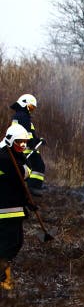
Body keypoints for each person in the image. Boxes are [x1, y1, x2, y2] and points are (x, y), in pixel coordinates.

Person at [0, 124, 36, 290]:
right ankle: (4, 279)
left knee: (14, 242)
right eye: (19, 142)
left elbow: (19, 183)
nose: (22, 146)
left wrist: (28, 203)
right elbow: (23, 173)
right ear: (10, 141)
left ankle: (5, 278)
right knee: (11, 243)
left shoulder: (12, 155)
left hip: (13, 206)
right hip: (6, 209)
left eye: (24, 142)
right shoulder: (5, 158)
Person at [9, 94, 45, 196]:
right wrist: (33, 142)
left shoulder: (19, 116)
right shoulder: (23, 116)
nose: (31, 110)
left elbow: (30, 133)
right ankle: (33, 187)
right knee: (38, 166)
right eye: (30, 107)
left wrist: (38, 140)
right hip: (27, 147)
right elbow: (26, 133)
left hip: (24, 146)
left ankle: (34, 185)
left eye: (33, 108)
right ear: (23, 103)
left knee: (30, 167)